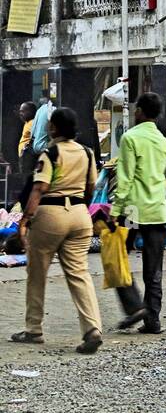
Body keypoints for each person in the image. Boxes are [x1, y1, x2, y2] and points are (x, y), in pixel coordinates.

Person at [9, 107, 102, 354]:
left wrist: (24, 221)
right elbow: (91, 187)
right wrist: (82, 208)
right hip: (81, 216)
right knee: (79, 273)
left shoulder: (50, 154)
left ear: (53, 128)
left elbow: (39, 189)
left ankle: (33, 329)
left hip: (50, 215)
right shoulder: (87, 153)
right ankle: (92, 328)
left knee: (37, 272)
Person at [109, 93, 166, 333]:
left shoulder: (130, 137)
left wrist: (115, 210)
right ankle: (152, 321)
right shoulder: (162, 140)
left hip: (133, 210)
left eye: (136, 109)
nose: (134, 113)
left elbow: (125, 178)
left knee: (115, 257)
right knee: (153, 270)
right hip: (157, 210)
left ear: (142, 111)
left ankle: (134, 306)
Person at [29, 91, 54, 158]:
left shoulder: (40, 109)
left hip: (34, 147)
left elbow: (33, 130)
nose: (40, 99)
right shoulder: (52, 109)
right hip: (43, 147)